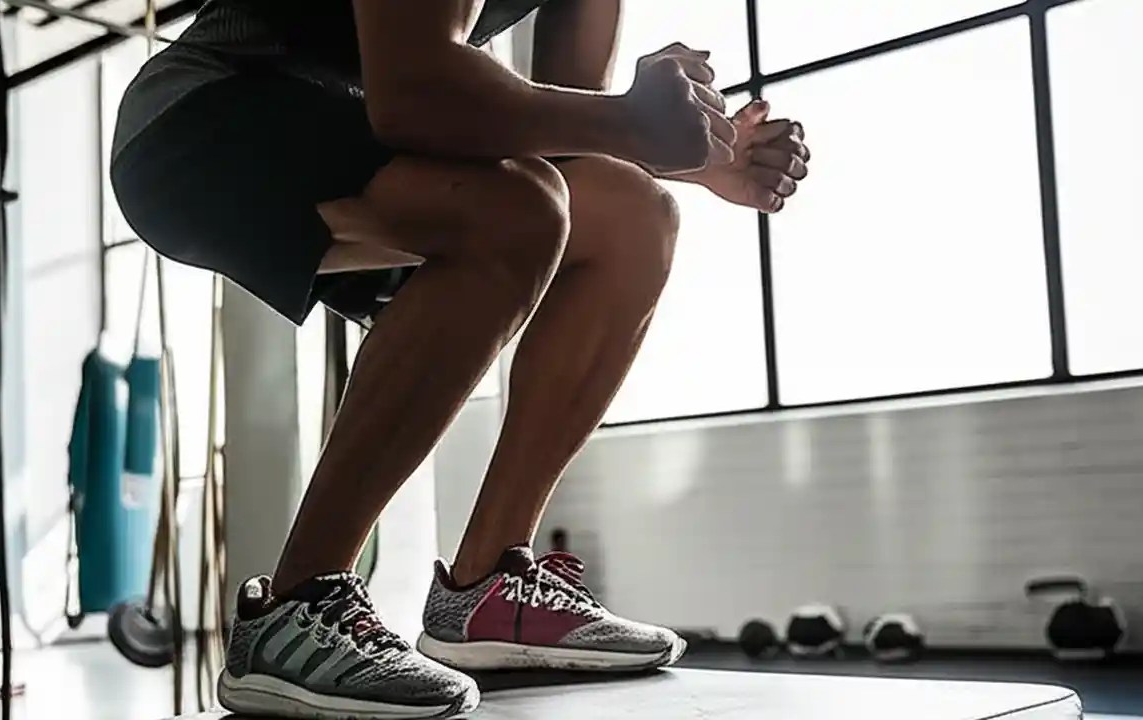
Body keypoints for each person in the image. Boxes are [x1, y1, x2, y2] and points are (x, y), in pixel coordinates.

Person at [110, 0, 810, 717]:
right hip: (197, 121)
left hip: (353, 131)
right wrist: (637, 121)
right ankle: (295, 607)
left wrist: (698, 150)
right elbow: (418, 91)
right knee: (519, 210)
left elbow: (569, 144)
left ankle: (487, 589)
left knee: (634, 215)